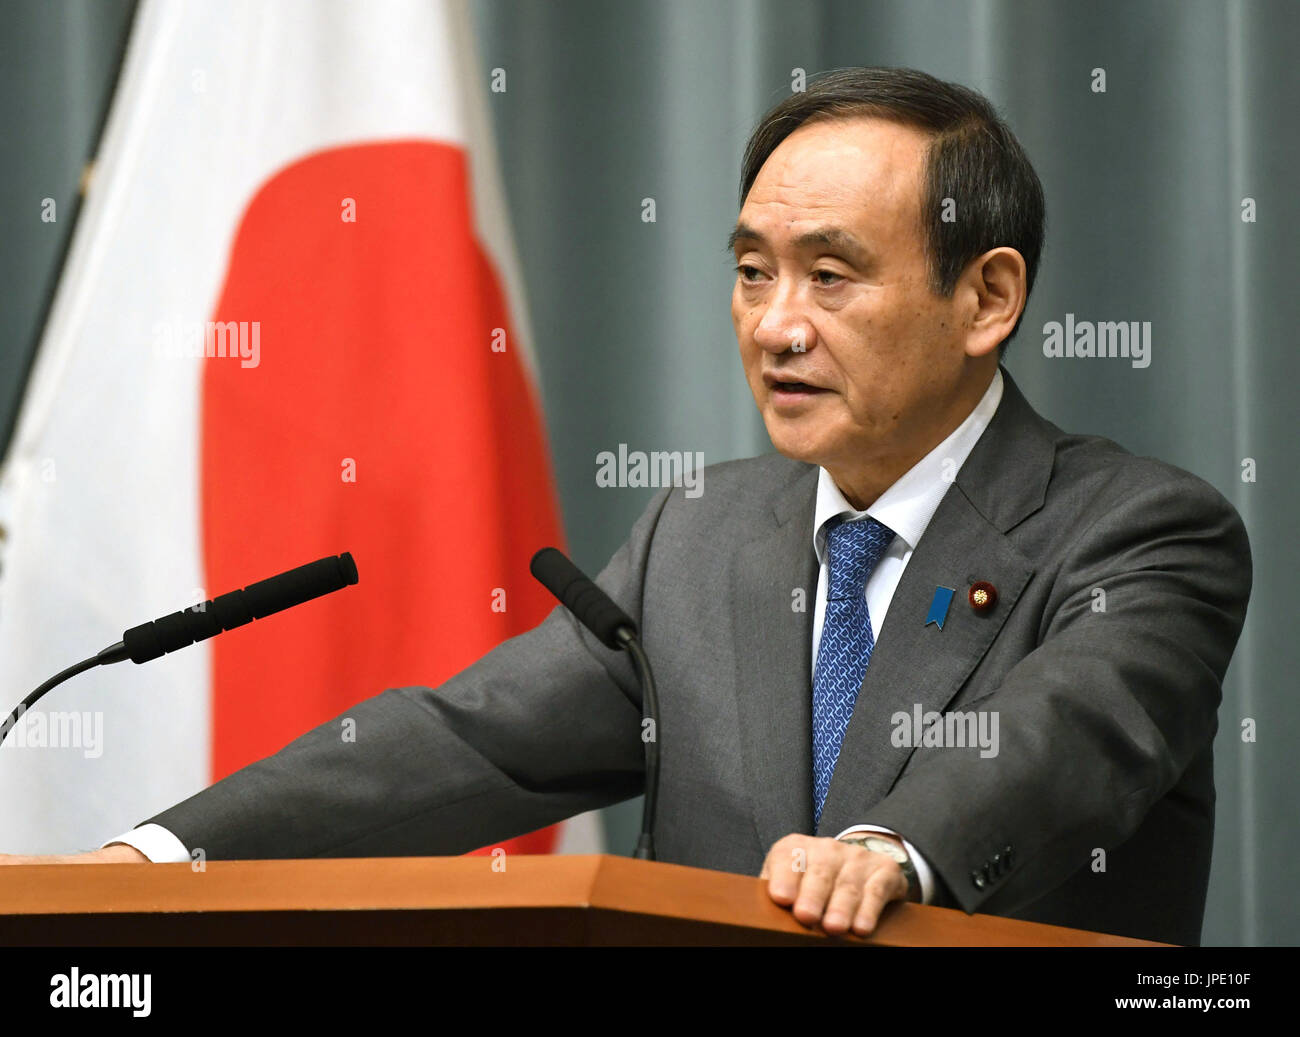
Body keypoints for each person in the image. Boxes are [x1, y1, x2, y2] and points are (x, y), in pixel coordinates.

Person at [0, 68, 1250, 947]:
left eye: (832, 274)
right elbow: (466, 743)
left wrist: (889, 846)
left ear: (986, 298)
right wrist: (163, 855)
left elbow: (1068, 735)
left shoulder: (1139, 531)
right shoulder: (702, 537)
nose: (775, 324)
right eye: (752, 271)